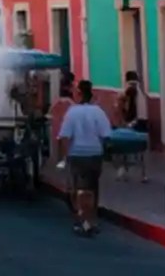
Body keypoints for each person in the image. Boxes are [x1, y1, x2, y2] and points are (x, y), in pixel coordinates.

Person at [57, 80, 112, 237]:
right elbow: (106, 135)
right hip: (95, 154)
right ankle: (92, 220)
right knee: (93, 188)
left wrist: (64, 157)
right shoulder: (98, 112)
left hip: (77, 154)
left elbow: (64, 136)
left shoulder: (72, 113)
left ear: (79, 93)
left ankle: (83, 221)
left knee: (80, 189)